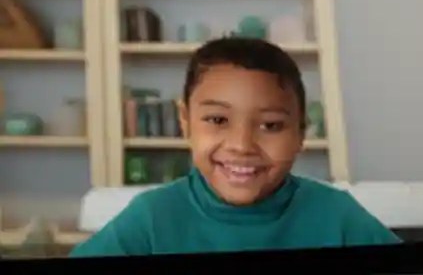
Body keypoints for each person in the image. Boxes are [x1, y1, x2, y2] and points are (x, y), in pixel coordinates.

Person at [72, 36, 400, 257]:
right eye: (217, 120)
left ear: (301, 133)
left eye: (271, 125)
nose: (242, 146)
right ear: (186, 122)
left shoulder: (338, 216)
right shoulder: (152, 219)